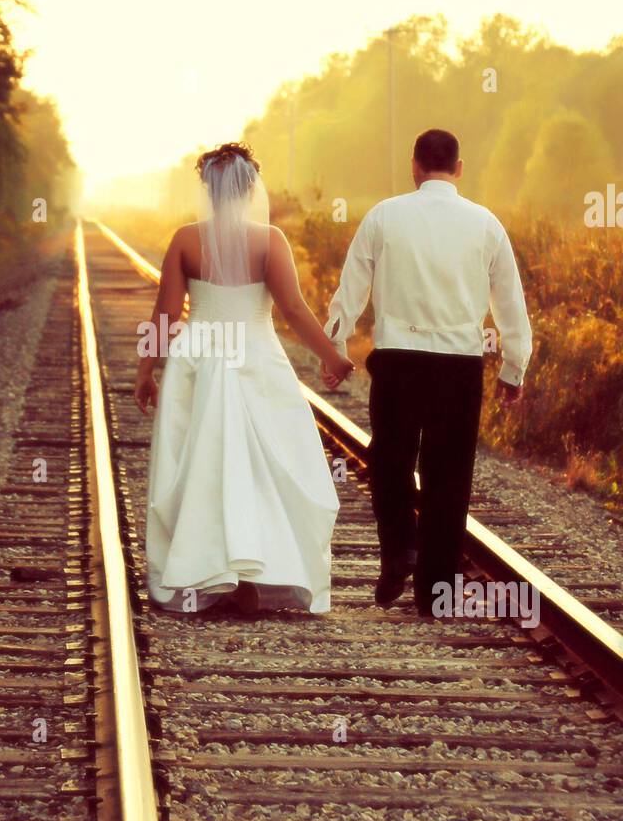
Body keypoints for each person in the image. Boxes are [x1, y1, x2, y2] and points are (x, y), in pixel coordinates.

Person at [322, 128, 532, 616]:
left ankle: (400, 549)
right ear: (459, 168)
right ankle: (436, 594)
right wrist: (513, 368)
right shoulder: (486, 225)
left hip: (398, 362)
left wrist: (335, 348)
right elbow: (510, 303)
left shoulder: (383, 216)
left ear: (414, 166)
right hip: (458, 368)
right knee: (449, 477)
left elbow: (350, 290)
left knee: (390, 461)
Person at [134, 141, 348, 614]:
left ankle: (208, 570)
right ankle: (257, 570)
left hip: (201, 355)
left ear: (207, 188)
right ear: (252, 188)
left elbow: (167, 315)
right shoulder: (269, 240)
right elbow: (293, 309)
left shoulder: (185, 240)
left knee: (203, 466)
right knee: (262, 464)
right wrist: (331, 357)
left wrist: (145, 369)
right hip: (254, 353)